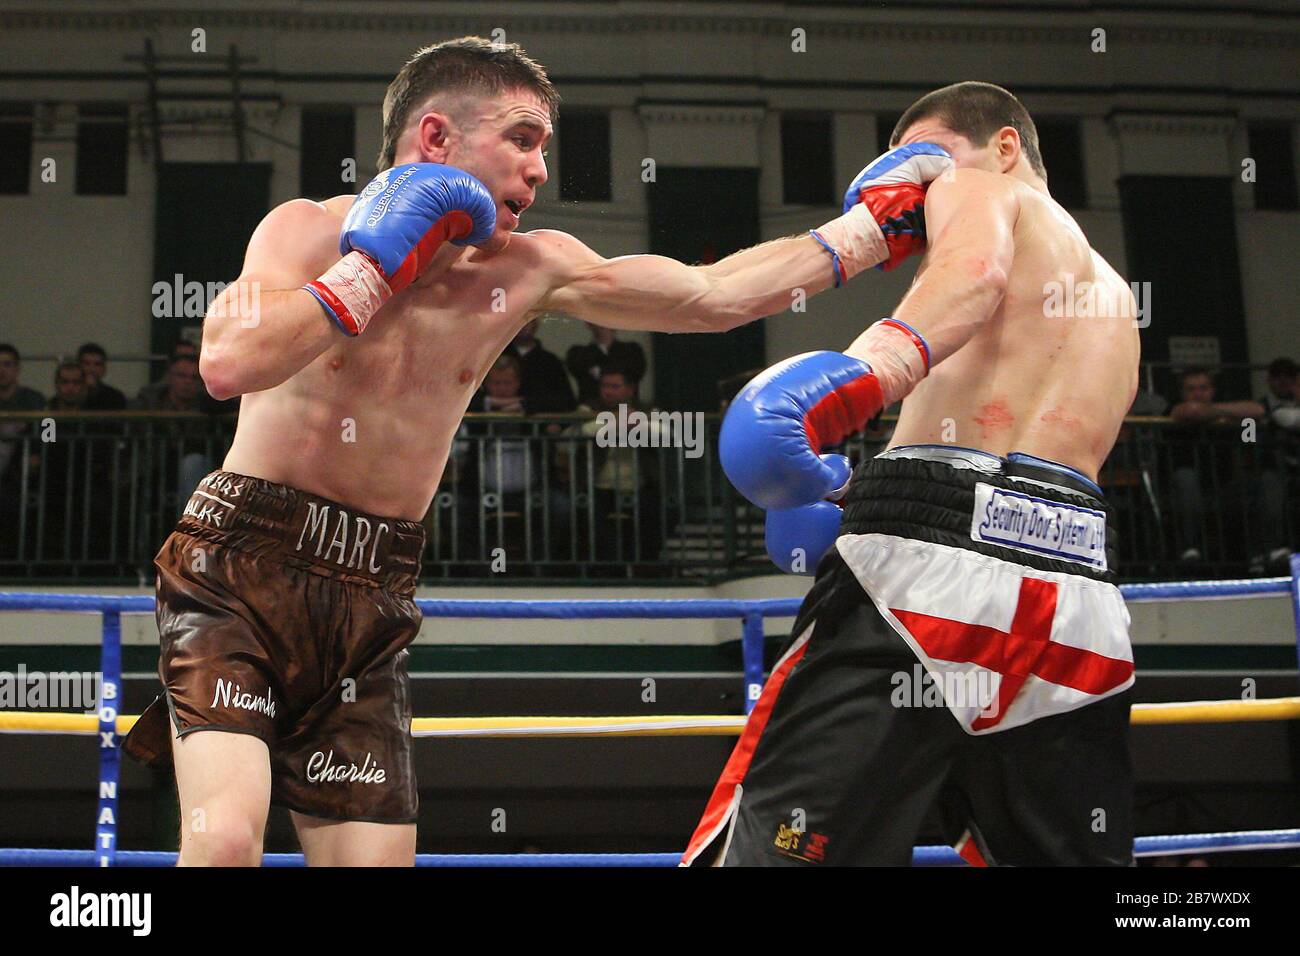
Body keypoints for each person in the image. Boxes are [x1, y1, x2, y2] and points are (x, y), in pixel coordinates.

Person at [121, 35, 949, 866]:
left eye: (544, 146)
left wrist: (866, 234)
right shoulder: (307, 230)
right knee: (223, 841)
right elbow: (227, 364)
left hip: (374, 588)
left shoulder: (529, 267)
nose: (540, 169)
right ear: (437, 139)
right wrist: (371, 270)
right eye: (522, 138)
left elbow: (714, 294)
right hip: (242, 566)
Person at [684, 81, 1141, 867]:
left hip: (922, 579)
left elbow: (974, 277)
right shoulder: (1111, 298)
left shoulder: (983, 189)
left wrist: (862, 376)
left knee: (777, 854)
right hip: (1075, 605)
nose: (918, 184)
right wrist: (856, 493)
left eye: (927, 158)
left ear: (1004, 147)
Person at [565, 321, 647, 408]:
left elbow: (634, 372)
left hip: (628, 411)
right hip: (590, 411)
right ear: (588, 323)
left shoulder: (633, 350)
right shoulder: (578, 354)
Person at [506, 318, 576, 412]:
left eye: (527, 320)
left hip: (542, 425)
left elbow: (566, 400)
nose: (522, 325)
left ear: (535, 324)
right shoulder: (495, 357)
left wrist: (529, 404)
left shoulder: (550, 361)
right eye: (518, 319)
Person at [77, 343, 127, 411]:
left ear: (104, 369)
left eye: (97, 364)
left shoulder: (115, 397)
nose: (91, 369)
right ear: (78, 366)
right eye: (86, 363)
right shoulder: (68, 394)